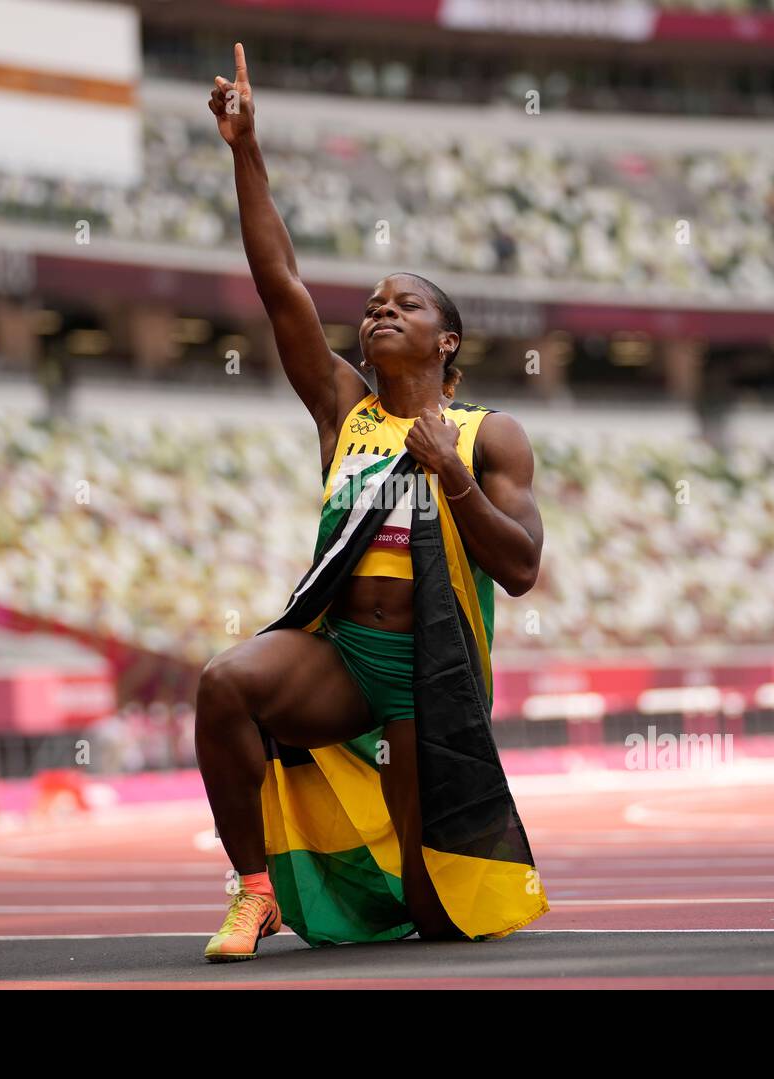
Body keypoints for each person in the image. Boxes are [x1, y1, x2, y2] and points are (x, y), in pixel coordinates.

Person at [195, 42, 545, 961]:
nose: (380, 311)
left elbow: (520, 569)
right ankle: (256, 889)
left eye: (406, 305)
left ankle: (415, 882)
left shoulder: (488, 435)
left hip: (429, 681)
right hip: (346, 660)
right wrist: (244, 148)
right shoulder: (344, 411)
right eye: (375, 305)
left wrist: (451, 474)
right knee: (226, 683)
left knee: (434, 923)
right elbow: (282, 288)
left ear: (449, 340)